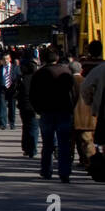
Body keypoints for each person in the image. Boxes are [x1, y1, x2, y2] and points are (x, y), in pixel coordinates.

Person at [29, 48, 78, 182]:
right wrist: (71, 108)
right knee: (64, 144)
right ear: (57, 58)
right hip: (64, 111)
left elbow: (33, 94)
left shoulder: (40, 73)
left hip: (47, 112)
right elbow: (74, 93)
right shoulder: (67, 72)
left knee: (48, 143)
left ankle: (46, 170)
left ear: (44, 59)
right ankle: (65, 172)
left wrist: (38, 109)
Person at [70, 60, 94, 169]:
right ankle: (87, 162)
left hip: (72, 116)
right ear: (81, 70)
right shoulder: (86, 81)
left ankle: (82, 160)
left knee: (74, 140)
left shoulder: (68, 82)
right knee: (86, 141)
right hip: (86, 116)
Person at [15, 57, 39, 158]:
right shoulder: (37, 79)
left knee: (26, 127)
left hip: (23, 106)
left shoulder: (22, 79)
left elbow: (17, 93)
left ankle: (26, 147)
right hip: (33, 107)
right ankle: (32, 149)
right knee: (33, 128)